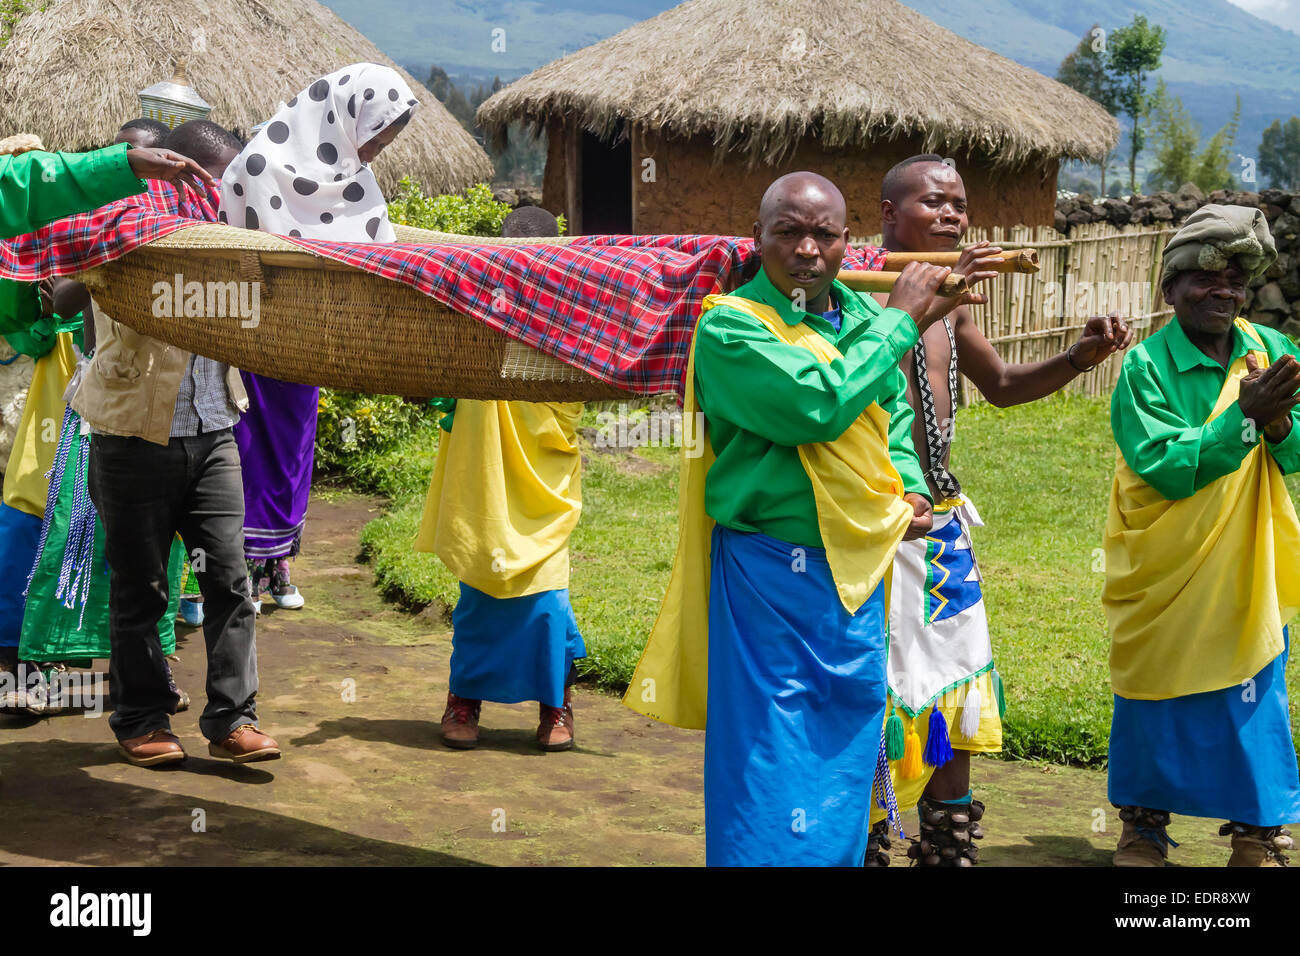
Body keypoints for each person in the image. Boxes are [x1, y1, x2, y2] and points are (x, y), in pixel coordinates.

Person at [623, 171, 990, 865]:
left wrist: (912, 492)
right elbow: (812, 407)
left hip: (855, 577)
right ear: (758, 239)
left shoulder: (858, 320)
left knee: (845, 738)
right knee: (767, 749)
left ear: (847, 243)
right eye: (789, 231)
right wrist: (903, 321)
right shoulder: (731, 324)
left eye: (824, 233)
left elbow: (893, 416)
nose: (808, 249)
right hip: (768, 574)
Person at [864, 155, 1133, 866]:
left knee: (956, 688)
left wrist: (1078, 357)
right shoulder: (857, 302)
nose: (953, 215)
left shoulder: (952, 312)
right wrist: (918, 308)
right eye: (934, 203)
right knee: (878, 688)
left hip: (944, 528)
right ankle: (862, 836)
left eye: (959, 204)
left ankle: (948, 839)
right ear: (889, 216)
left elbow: (1007, 385)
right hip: (875, 527)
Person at [68, 135, 275, 767]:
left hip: (215, 432)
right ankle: (141, 716)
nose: (218, 196)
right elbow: (64, 299)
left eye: (228, 185)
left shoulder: (236, 236)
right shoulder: (120, 229)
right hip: (131, 435)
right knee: (142, 588)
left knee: (230, 582)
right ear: (174, 176)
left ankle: (233, 718)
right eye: (210, 182)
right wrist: (110, 255)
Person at [1103, 204, 1300, 867]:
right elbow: (1166, 466)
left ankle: (1257, 831)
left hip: (1245, 561)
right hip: (1164, 563)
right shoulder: (1144, 369)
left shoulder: (1269, 352)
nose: (1225, 293)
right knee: (1153, 687)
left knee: (1251, 686)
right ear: (1170, 289)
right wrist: (1244, 419)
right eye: (1206, 280)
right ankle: (1143, 826)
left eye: (1238, 283)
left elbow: (1296, 451)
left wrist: (1275, 427)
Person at [1, 135, 211, 714]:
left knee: (152, 554)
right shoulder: (101, 234)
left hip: (173, 416)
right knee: (68, 538)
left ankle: (142, 675)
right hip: (104, 412)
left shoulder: (189, 233)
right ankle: (35, 669)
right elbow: (53, 303)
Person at [219, 62, 417, 614]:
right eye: (378, 133)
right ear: (347, 114)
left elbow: (379, 252)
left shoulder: (356, 177)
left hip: (314, 343)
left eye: (388, 138)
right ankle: (240, 569)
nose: (377, 148)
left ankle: (279, 562)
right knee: (248, 448)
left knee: (293, 452)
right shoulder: (259, 163)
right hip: (254, 339)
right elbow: (232, 248)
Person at [416, 205, 587, 752]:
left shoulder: (573, 305)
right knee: (480, 591)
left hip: (544, 467)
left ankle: (555, 706)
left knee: (547, 601)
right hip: (482, 464)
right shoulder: (474, 298)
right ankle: (463, 699)